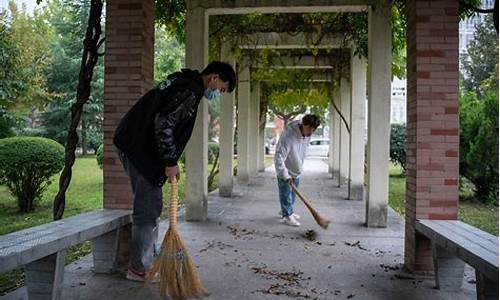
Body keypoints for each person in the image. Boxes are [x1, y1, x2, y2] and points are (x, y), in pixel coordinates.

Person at [113, 61, 236, 281]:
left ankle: (147, 259)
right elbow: (164, 124)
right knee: (148, 207)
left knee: (151, 204)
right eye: (221, 89)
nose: (218, 93)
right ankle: (140, 268)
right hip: (137, 148)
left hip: (137, 145)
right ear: (214, 78)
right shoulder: (188, 90)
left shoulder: (185, 84)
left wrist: (169, 161)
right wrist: (170, 161)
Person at [274, 114, 321, 227]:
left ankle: (287, 210)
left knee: (293, 195)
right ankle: (287, 215)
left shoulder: (307, 134)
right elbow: (279, 157)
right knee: (285, 194)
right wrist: (285, 175)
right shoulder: (288, 136)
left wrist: (299, 168)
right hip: (285, 170)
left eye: (313, 129)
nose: (311, 132)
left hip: (296, 170)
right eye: (309, 128)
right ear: (303, 124)